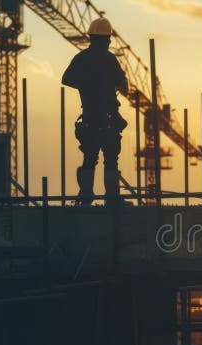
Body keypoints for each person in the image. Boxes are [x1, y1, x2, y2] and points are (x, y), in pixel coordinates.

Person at [62, 17, 129, 207]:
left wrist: (85, 83)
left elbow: (66, 79)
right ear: (107, 40)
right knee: (111, 160)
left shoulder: (81, 58)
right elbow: (123, 85)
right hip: (109, 120)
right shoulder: (110, 59)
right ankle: (112, 199)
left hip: (90, 119)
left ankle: (85, 197)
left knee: (89, 159)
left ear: (91, 38)